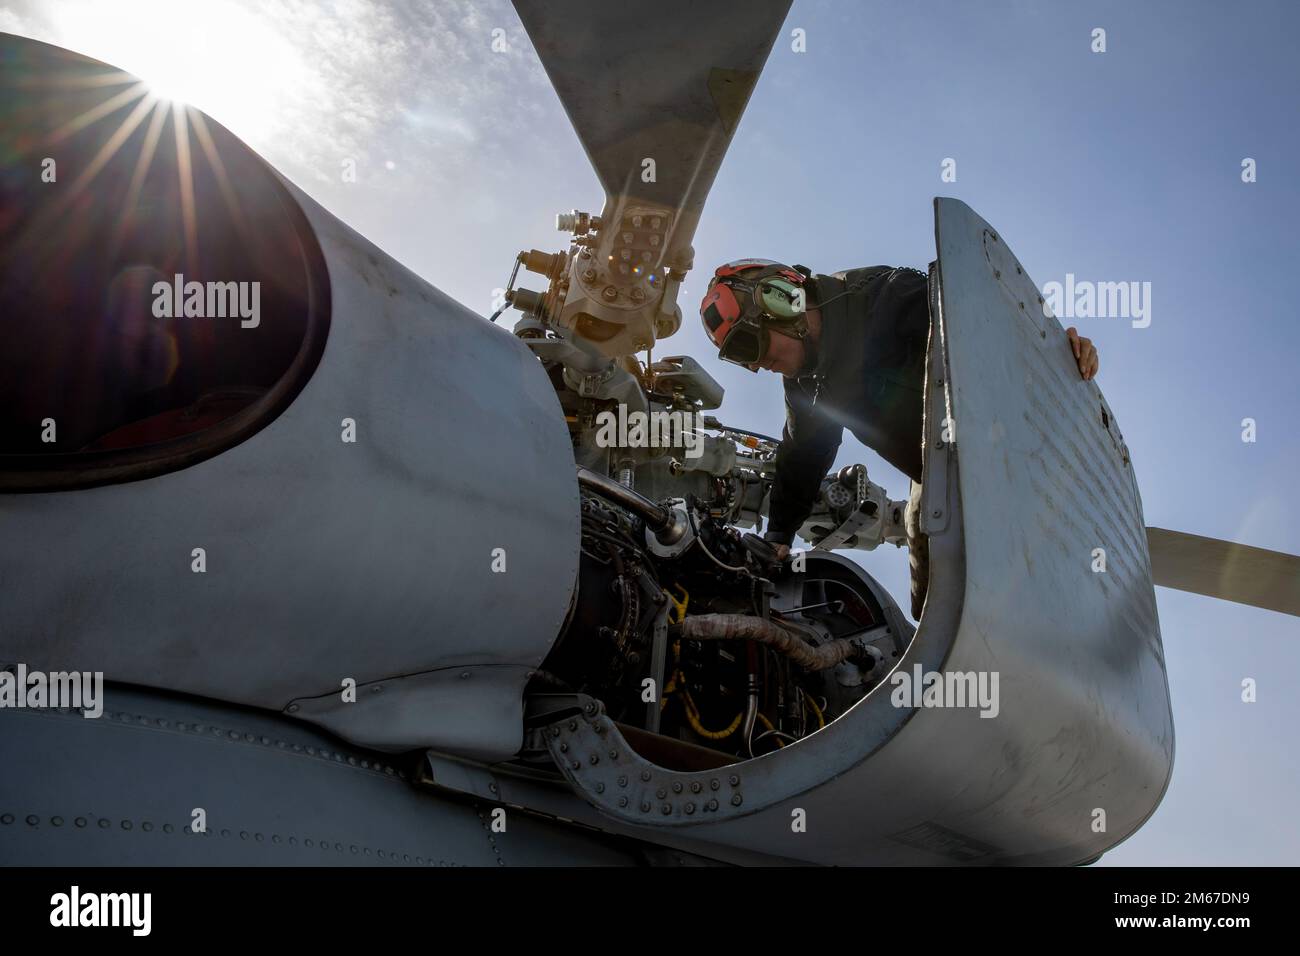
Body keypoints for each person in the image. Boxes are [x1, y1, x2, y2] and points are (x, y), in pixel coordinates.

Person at [699, 259, 1099, 617]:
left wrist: (1054, 352)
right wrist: (778, 538)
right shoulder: (805, 385)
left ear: (782, 300)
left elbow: (985, 325)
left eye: (751, 344)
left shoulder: (886, 297)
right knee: (929, 589)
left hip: (1013, 449)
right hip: (940, 476)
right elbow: (803, 457)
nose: (757, 365)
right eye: (742, 359)